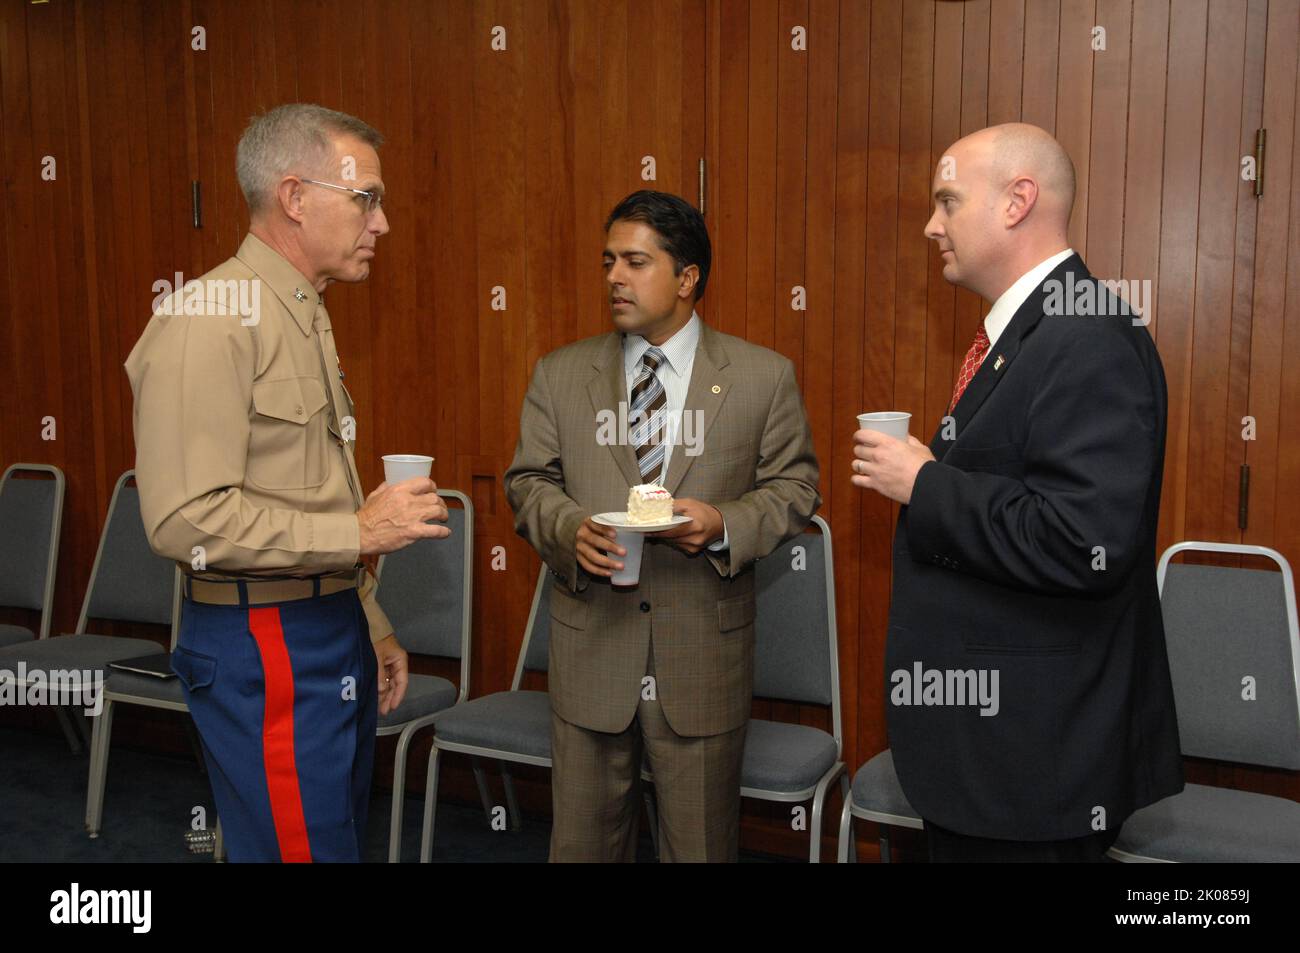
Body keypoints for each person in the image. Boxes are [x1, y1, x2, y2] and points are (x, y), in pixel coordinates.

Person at [125, 103, 450, 862]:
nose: (383, 222)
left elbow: (305, 494)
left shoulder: (301, 313)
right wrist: (361, 534)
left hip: (324, 626)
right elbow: (183, 519)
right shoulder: (210, 318)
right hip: (262, 638)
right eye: (366, 198)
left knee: (325, 841)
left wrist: (369, 620)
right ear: (296, 197)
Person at [851, 123, 1183, 862]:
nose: (931, 225)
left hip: (1037, 761)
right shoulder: (1029, 332)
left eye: (947, 201)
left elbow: (1082, 540)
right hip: (997, 756)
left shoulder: (1087, 335)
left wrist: (924, 483)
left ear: (1017, 201)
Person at [504, 190, 821, 861]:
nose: (615, 276)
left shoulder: (762, 378)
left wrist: (723, 522)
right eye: (609, 260)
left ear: (687, 278)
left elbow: (795, 490)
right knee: (583, 846)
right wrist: (568, 530)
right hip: (592, 651)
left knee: (700, 848)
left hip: (702, 658)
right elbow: (528, 482)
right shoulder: (561, 375)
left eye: (636, 262)